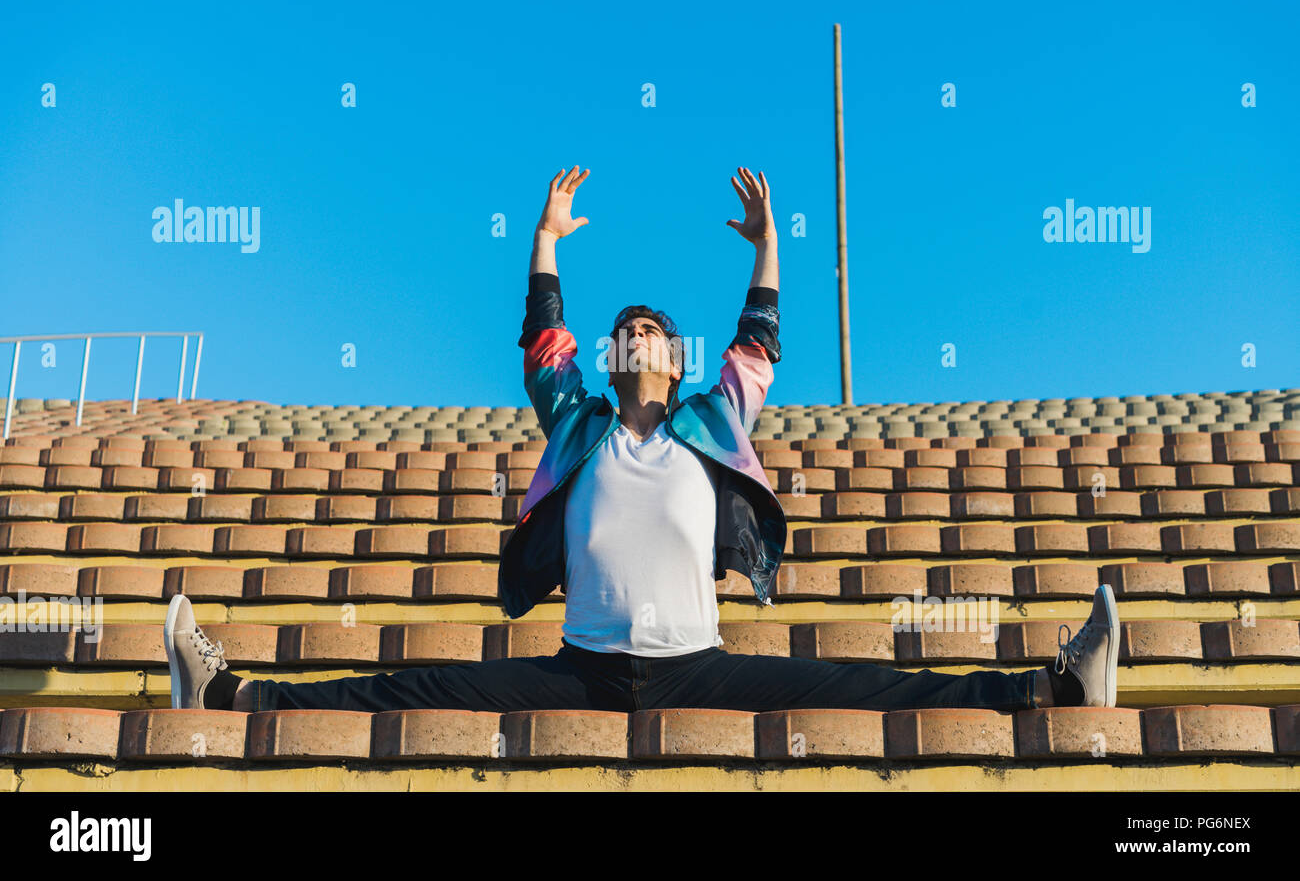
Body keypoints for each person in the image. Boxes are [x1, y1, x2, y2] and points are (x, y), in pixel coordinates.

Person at [165, 166, 1119, 716]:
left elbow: (761, 346)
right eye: (622, 332)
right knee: (417, 685)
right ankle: (225, 695)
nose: (634, 339)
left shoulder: (711, 422)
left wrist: (766, 248)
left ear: (671, 357)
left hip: (697, 665)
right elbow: (544, 343)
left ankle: (1058, 684)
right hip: (579, 669)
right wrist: (544, 238)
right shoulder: (579, 421)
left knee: (865, 683)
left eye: (650, 331)